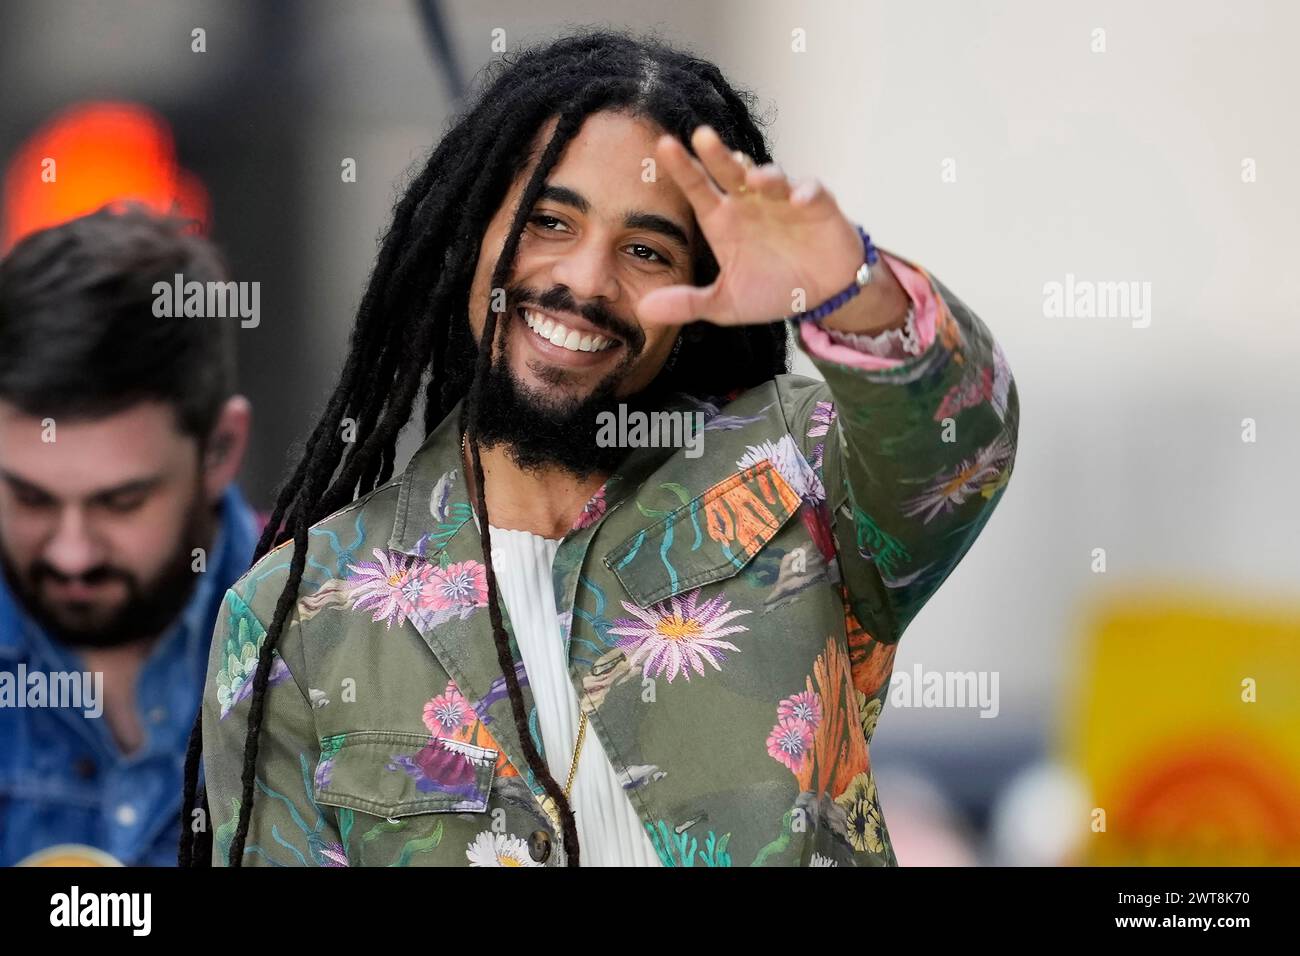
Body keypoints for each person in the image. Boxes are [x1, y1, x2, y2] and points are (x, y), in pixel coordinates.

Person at [187, 30, 1018, 868]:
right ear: (471, 235)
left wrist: (850, 286)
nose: (586, 282)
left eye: (646, 251)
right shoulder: (295, 615)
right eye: (550, 220)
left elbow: (957, 453)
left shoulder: (795, 469)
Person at [0, 205, 259, 866]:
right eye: (29, 498)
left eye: (121, 502)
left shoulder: (337, 648)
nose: (71, 554)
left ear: (220, 450)